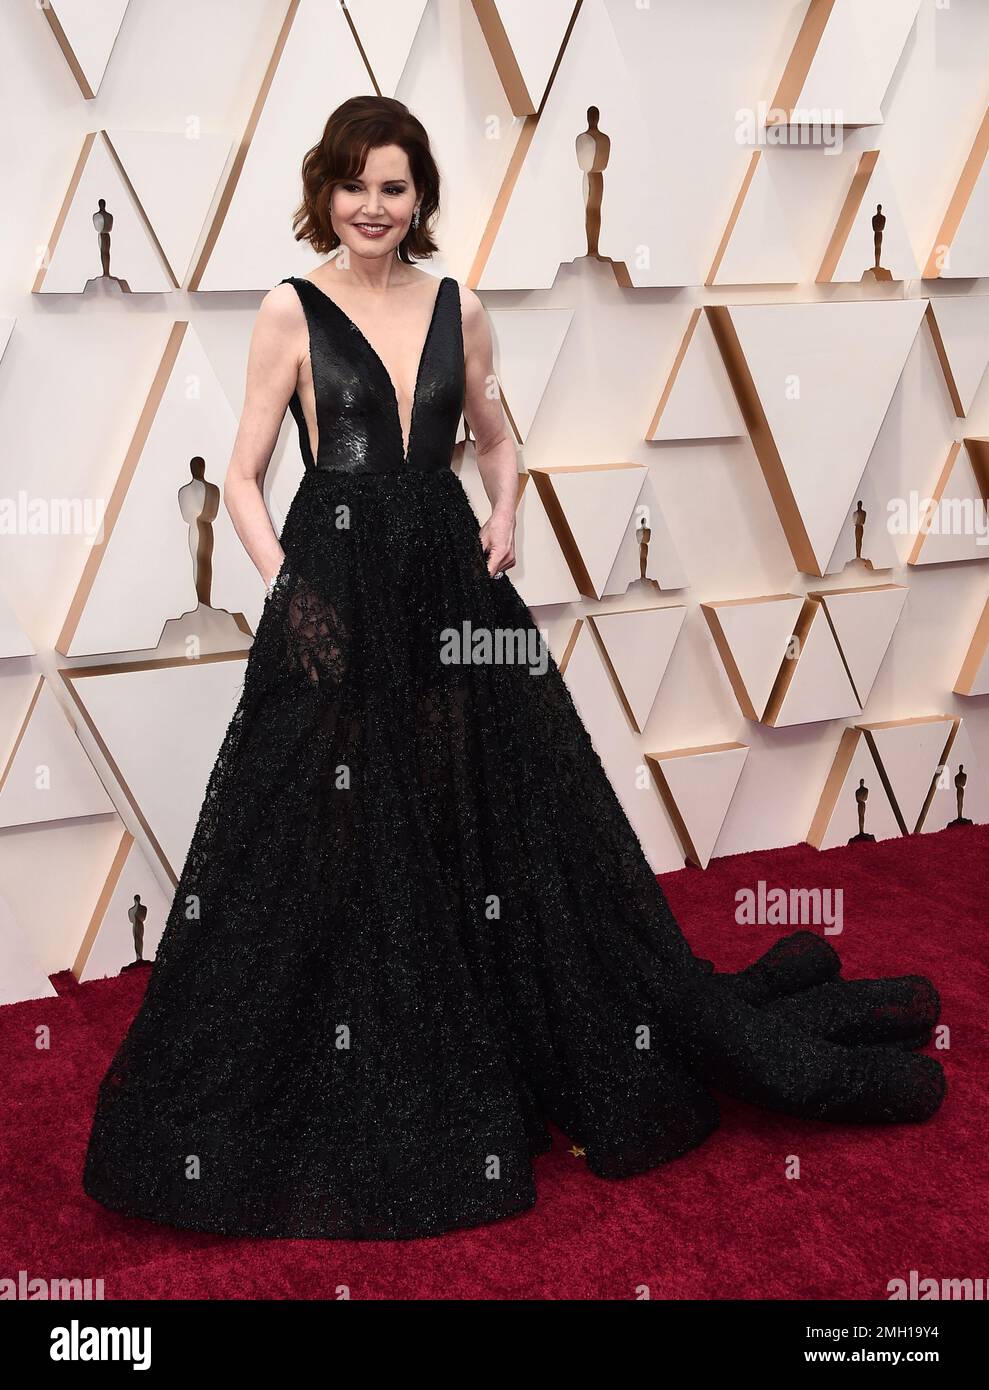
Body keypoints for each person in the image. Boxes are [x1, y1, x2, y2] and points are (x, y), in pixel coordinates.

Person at [82, 96, 946, 1241]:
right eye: (352, 187)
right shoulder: (287, 312)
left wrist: (502, 512)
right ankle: (349, 1063)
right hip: (334, 600)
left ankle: (515, 1036)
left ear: (421, 196)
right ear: (322, 194)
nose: (372, 208)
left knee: (479, 809)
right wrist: (288, 582)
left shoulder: (462, 310)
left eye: (393, 188)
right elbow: (242, 472)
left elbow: (495, 434)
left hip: (447, 587)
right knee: (320, 833)